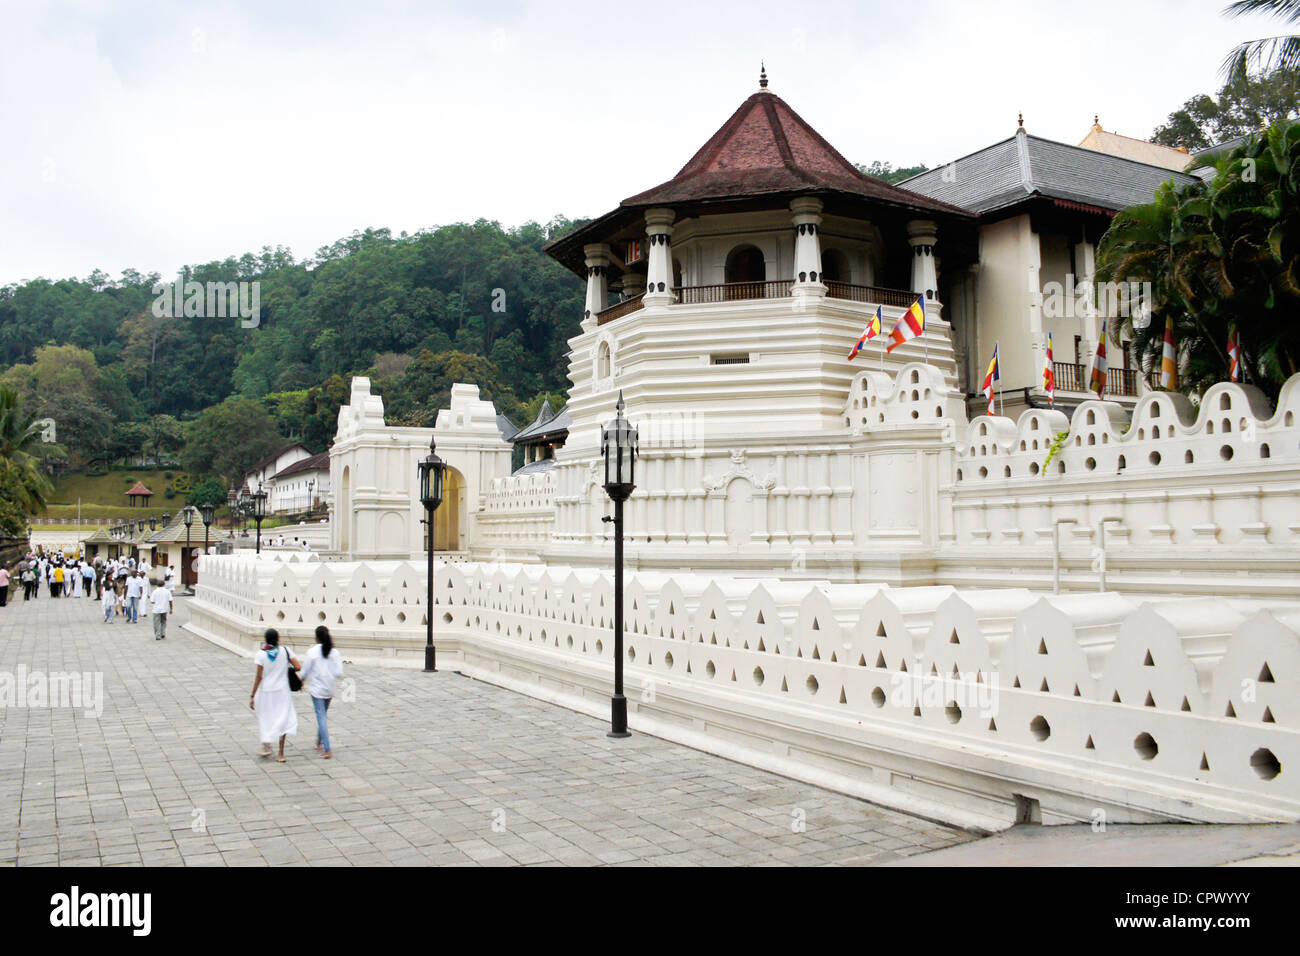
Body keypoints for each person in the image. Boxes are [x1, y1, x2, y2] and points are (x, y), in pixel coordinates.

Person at [249, 629, 299, 761]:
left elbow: (259, 676)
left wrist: (252, 695)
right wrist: (285, 669)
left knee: (266, 718)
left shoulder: (261, 654)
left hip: (266, 691)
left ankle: (266, 746)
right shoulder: (285, 650)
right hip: (282, 691)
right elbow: (298, 666)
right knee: (283, 719)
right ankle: (281, 754)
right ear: (278, 638)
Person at [298, 626, 343, 758]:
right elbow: (339, 672)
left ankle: (327, 748)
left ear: (316, 637)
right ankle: (319, 741)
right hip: (329, 688)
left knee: (321, 717)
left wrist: (301, 681)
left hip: (317, 689)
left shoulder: (312, 652)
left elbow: (305, 671)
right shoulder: (334, 652)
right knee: (322, 715)